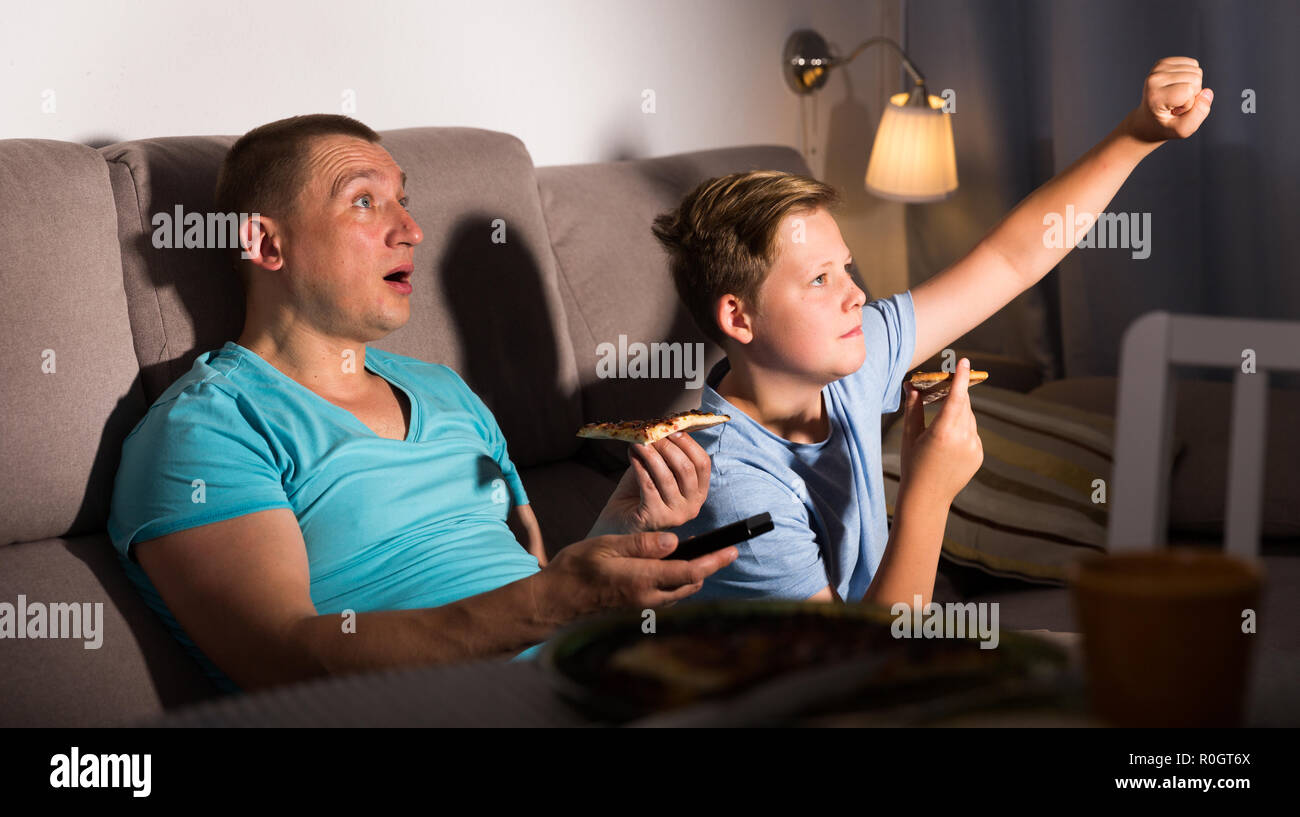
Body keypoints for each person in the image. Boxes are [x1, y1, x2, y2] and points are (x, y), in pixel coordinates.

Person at [107, 115, 736, 694]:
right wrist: (555, 603)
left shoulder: (446, 391)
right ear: (267, 246)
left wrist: (625, 525)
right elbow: (284, 657)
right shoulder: (208, 430)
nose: (411, 230)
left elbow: (531, 584)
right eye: (363, 202)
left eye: (403, 201)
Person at [652, 57, 1214, 606]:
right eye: (821, 279)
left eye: (846, 268)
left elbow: (1009, 260)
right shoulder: (732, 488)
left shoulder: (846, 362)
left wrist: (1137, 135)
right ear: (738, 318)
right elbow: (853, 668)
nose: (857, 294)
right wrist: (928, 492)